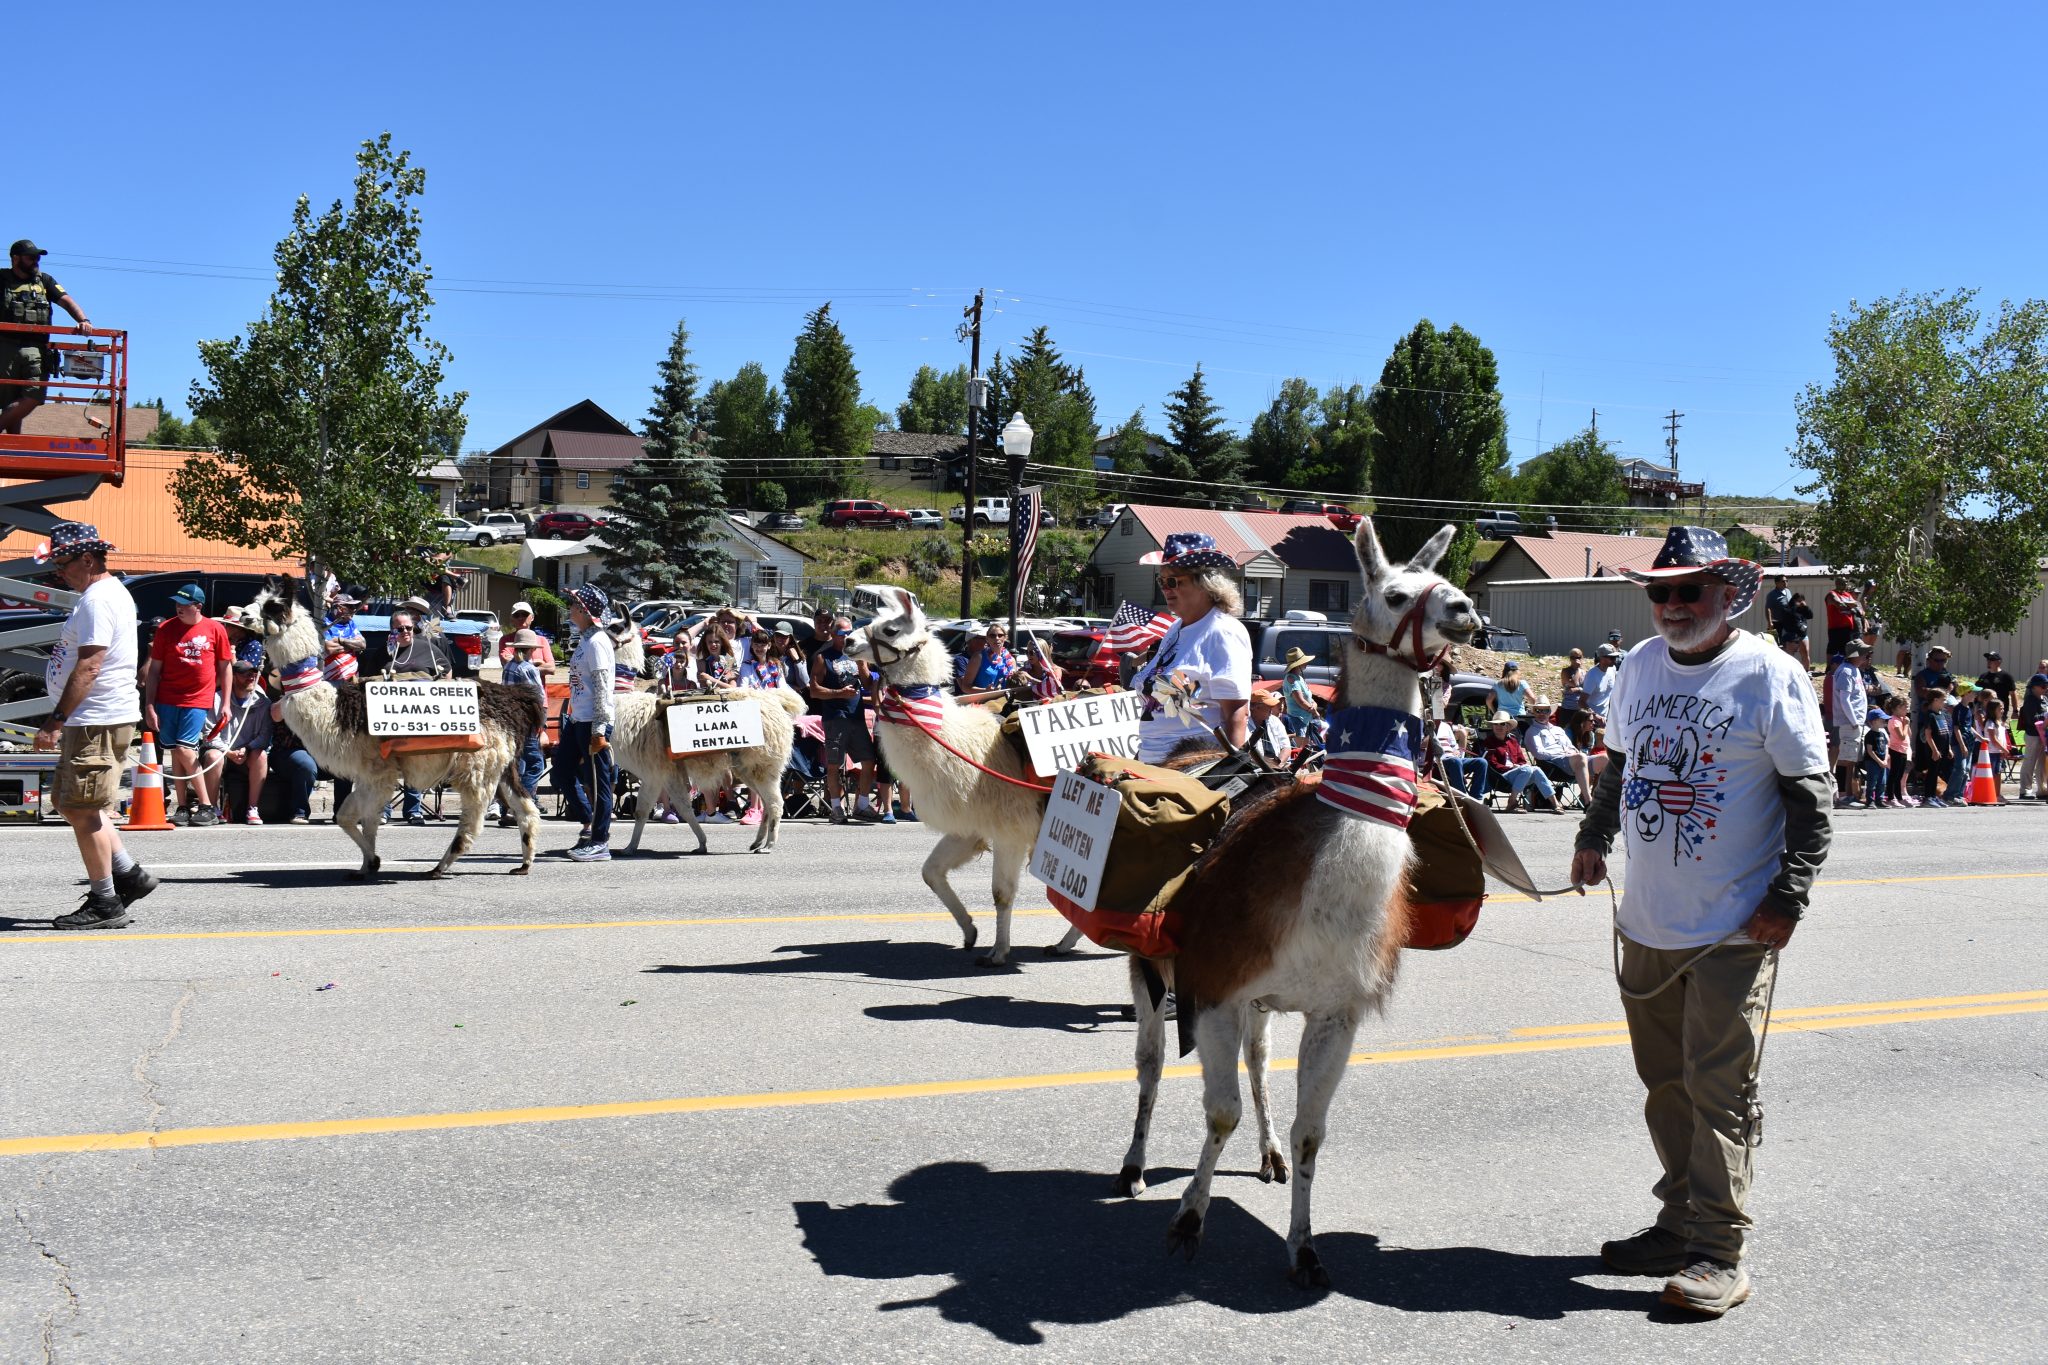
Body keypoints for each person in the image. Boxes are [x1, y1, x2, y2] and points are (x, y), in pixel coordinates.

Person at [1570, 524, 1831, 1316]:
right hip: (1647, 922)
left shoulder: (1769, 674)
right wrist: (1592, 834)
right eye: (1661, 590)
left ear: (1731, 594)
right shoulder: (1640, 666)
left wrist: (1786, 898)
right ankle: (1680, 1218)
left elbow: (1811, 801)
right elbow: (1621, 765)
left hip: (1732, 927)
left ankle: (1720, 1251)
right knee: (1665, 1086)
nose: (1672, 604)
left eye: (1689, 590)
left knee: (1719, 1089)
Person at [32, 523, 154, 928]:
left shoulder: (98, 601)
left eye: (62, 564)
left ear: (88, 559)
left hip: (95, 720)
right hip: (95, 719)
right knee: (72, 804)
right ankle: (128, 874)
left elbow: (90, 665)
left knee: (82, 811)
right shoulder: (101, 595)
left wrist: (56, 721)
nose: (58, 573)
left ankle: (105, 902)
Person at [1130, 532, 1252, 763]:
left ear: (1205, 583)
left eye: (1173, 581)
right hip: (1154, 761)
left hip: (1195, 767)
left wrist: (1232, 772)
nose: (1165, 589)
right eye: (1162, 581)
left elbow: (1237, 711)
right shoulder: (1176, 629)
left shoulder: (1222, 631)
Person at [144, 583, 231, 826]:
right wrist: (150, 705)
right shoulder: (165, 629)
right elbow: (154, 671)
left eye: (184, 605)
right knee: (174, 750)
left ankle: (207, 805)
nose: (178, 608)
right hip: (168, 697)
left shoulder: (215, 629)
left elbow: (225, 667)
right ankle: (182, 806)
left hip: (198, 698)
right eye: (177, 604)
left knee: (185, 748)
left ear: (198, 606)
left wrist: (225, 702)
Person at [1, 241, 90, 433]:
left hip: (37, 349)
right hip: (5, 347)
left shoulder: (45, 281)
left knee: (34, 395)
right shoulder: (1, 278)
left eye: (37, 257)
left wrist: (83, 319)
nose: (36, 261)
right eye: (30, 257)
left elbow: (66, 301)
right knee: (10, 401)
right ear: (15, 259)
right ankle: (12, 452)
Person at [559, 586, 616, 861]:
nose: (570, 609)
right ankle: (588, 823)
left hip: (594, 721)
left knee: (599, 783)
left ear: (584, 610)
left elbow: (603, 686)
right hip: (578, 718)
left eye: (574, 605)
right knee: (561, 772)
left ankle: (600, 841)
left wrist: (600, 729)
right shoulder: (585, 640)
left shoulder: (597, 642)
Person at [809, 616, 879, 823]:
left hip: (856, 717)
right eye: (841, 633)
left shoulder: (857, 655)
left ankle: (862, 804)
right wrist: (839, 693)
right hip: (835, 718)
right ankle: (836, 808)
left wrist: (862, 664)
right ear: (833, 634)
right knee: (834, 765)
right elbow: (814, 691)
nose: (846, 637)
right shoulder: (824, 657)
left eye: (849, 633)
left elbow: (867, 683)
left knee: (868, 761)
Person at [210, 657, 274, 824]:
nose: (251, 677)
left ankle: (253, 809)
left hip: (248, 752)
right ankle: (211, 808)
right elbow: (209, 735)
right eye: (244, 674)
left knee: (261, 756)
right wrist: (227, 752)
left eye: (253, 673)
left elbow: (265, 735)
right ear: (232, 677)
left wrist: (248, 748)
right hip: (224, 751)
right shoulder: (217, 700)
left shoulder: (263, 702)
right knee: (212, 757)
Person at [499, 628, 549, 829]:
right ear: (530, 649)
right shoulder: (528, 669)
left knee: (517, 766)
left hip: (511, 721)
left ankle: (509, 806)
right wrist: (541, 724)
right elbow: (537, 698)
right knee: (536, 764)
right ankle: (519, 805)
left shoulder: (509, 666)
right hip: (527, 722)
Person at [1478, 710, 1559, 813]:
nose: (1498, 727)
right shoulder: (1489, 742)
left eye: (1502, 724)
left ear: (1507, 727)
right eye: (1495, 724)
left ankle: (1555, 804)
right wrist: (1512, 768)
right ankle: (1512, 801)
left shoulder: (1513, 740)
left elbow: (1522, 760)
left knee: (1536, 769)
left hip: (1519, 774)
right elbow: (1492, 764)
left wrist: (1518, 766)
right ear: (1492, 727)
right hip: (1500, 777)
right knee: (1526, 769)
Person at [1525, 697, 1599, 806]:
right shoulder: (1532, 732)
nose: (1542, 713)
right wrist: (1563, 754)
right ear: (1533, 712)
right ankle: (1588, 801)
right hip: (1554, 765)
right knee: (1581, 757)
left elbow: (1571, 747)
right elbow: (1538, 753)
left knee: (1604, 758)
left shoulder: (1558, 730)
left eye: (1545, 710)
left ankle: (1604, 801)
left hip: (1572, 761)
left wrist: (1572, 752)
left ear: (1550, 712)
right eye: (1538, 710)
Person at [1827, 644, 1868, 807]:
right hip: (1849, 722)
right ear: (1855, 654)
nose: (1866, 656)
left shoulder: (1853, 670)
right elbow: (1844, 699)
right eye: (1863, 653)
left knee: (1851, 758)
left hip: (1855, 722)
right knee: (1846, 758)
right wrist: (1853, 720)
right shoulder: (1845, 671)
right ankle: (1843, 796)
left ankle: (1848, 795)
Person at [1914, 689, 1957, 807]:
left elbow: (1946, 732)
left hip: (1942, 749)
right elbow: (1928, 734)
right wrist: (1934, 750)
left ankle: (1934, 796)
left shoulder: (1942, 714)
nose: (1945, 703)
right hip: (1934, 750)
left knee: (1937, 772)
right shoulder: (1930, 715)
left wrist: (1948, 748)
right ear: (1935, 700)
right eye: (1943, 700)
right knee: (1931, 773)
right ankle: (1928, 797)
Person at [1431, 714, 1489, 799]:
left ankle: (1476, 797)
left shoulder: (1446, 726)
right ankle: (1461, 795)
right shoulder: (1423, 725)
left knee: (1481, 762)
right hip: (1436, 762)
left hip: (1452, 759)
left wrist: (1457, 750)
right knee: (1455, 761)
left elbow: (1454, 745)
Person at [2017, 673, 2048, 801]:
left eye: (2046, 685)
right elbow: (2031, 719)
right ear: (2034, 687)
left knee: (2042, 763)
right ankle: (2025, 790)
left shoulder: (2044, 699)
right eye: (2043, 685)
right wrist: (2045, 717)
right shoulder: (2030, 700)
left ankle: (2042, 790)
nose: (2045, 688)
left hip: (2044, 735)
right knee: (2030, 761)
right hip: (2033, 735)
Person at [499, 600, 553, 668]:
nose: (520, 618)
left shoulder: (542, 640)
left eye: (525, 614)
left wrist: (515, 661)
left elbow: (551, 668)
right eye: (516, 615)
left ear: (532, 617)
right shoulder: (505, 640)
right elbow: (506, 661)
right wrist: (537, 663)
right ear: (512, 619)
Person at [1885, 695, 1916, 808]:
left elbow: (1909, 735)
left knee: (1899, 776)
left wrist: (1906, 724)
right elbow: (1902, 736)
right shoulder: (1894, 721)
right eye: (1905, 707)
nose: (1907, 710)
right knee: (1894, 775)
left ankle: (1899, 797)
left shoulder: (1902, 720)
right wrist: (1906, 724)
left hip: (1903, 750)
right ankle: (1890, 797)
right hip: (1895, 750)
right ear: (1897, 708)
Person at [1281, 648, 1321, 734]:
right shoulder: (1291, 679)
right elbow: (1301, 701)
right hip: (1298, 719)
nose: (1306, 663)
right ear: (1297, 664)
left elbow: (1309, 698)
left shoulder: (1299, 678)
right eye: (1303, 661)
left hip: (1305, 719)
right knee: (1300, 746)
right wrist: (1314, 712)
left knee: (1306, 745)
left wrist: (1314, 705)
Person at [1822, 576, 1862, 659]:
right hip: (1836, 627)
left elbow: (1856, 605)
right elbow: (1839, 605)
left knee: (1846, 649)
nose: (1845, 584)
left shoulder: (1847, 594)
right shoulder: (1832, 594)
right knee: (1833, 648)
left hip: (1848, 627)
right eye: (1843, 582)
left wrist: (1846, 604)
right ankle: (1830, 667)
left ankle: (1843, 664)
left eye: (1846, 582)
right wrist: (1849, 605)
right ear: (1837, 584)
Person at [1859, 707, 1891, 809]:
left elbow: (1886, 747)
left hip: (1882, 761)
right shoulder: (1870, 735)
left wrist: (1885, 760)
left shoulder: (1882, 733)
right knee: (1872, 781)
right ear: (1874, 721)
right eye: (1881, 719)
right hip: (1872, 762)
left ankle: (1879, 799)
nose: (1884, 721)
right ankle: (1870, 801)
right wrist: (1879, 761)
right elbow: (1870, 750)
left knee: (1882, 782)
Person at [1248, 689, 1290, 765]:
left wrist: (1278, 766)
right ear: (1255, 707)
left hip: (1275, 766)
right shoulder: (1244, 724)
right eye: (1269, 705)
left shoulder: (1275, 721)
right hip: (1253, 767)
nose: (1272, 708)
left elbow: (1286, 747)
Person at [1581, 643, 1620, 720]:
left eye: (1616, 657)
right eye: (1612, 658)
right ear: (1601, 658)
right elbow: (1581, 702)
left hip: (1605, 718)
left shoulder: (1612, 669)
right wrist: (1595, 716)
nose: (1615, 660)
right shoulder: (1592, 675)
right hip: (1592, 720)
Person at [973, 622, 1018, 689]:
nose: (997, 638)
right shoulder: (978, 657)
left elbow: (1014, 685)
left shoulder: (1011, 660)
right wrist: (985, 690)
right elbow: (965, 687)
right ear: (987, 638)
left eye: (1000, 635)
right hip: (985, 698)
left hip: (1005, 698)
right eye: (992, 636)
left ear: (1005, 638)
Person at [1491, 660, 1529, 725]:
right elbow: (1532, 698)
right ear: (1517, 671)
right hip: (1519, 717)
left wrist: (1495, 712)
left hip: (1503, 718)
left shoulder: (1498, 684)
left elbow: (1488, 700)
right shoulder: (1522, 683)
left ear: (1504, 671)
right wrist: (1533, 711)